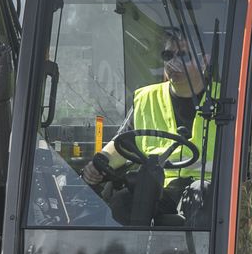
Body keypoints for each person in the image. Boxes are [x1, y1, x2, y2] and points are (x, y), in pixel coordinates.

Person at [81, 35, 211, 193]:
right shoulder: (146, 98)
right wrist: (100, 161)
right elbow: (124, 144)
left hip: (208, 195)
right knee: (122, 201)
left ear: (204, 61)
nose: (173, 62)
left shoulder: (226, 99)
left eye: (183, 55)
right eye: (168, 56)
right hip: (157, 189)